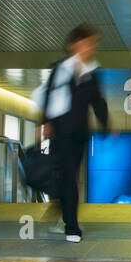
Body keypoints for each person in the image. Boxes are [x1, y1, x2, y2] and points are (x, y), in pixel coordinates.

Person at [38, 23, 110, 243]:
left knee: (69, 177)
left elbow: (98, 101)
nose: (91, 47)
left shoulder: (92, 73)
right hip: (60, 132)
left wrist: (106, 124)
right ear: (75, 43)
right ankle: (72, 227)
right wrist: (44, 123)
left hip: (79, 133)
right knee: (68, 177)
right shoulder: (60, 68)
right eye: (88, 42)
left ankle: (64, 211)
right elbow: (48, 96)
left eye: (94, 43)